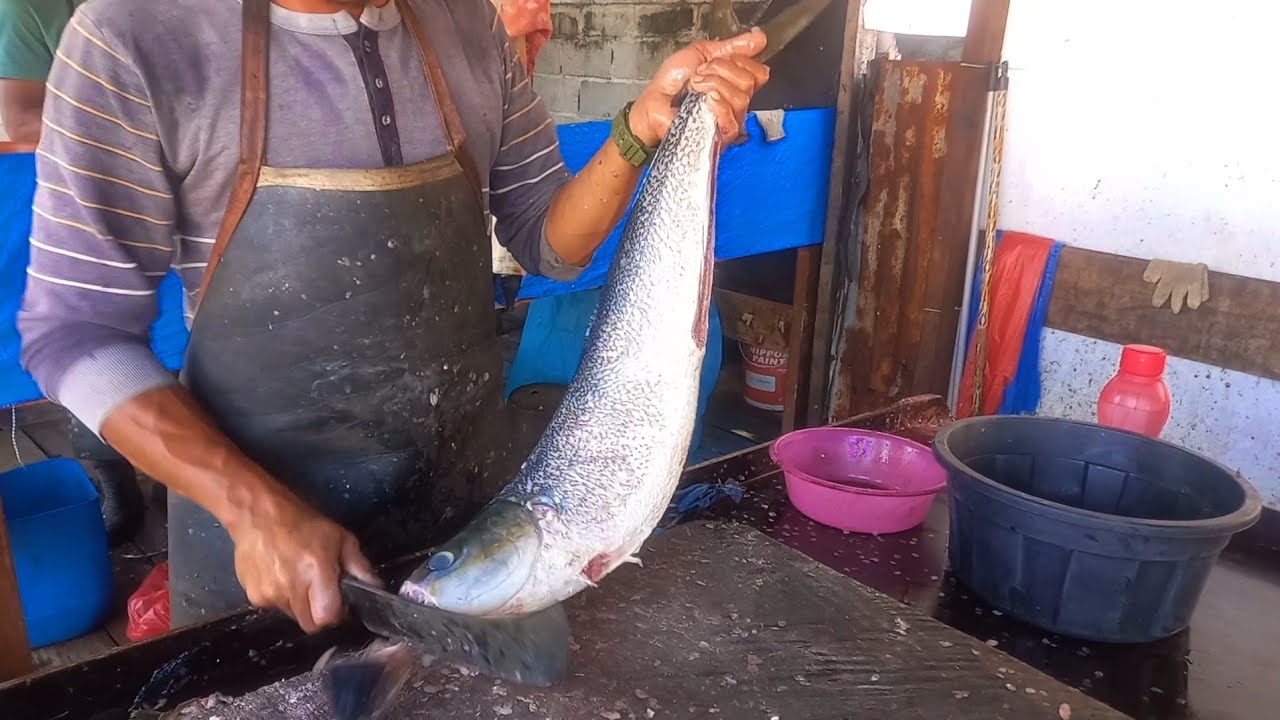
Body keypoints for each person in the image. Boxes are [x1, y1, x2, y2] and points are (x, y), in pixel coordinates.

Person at [18, 0, 769, 633]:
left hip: (468, 530)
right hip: (262, 563)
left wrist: (640, 130)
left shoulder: (469, 27)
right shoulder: (134, 39)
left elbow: (546, 240)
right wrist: (252, 509)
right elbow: (74, 332)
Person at [1, 0, 146, 546]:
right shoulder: (28, 9)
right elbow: (19, 118)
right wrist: (140, 126)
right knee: (96, 340)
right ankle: (111, 475)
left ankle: (183, 487)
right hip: (88, 199)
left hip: (186, 189)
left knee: (198, 340)